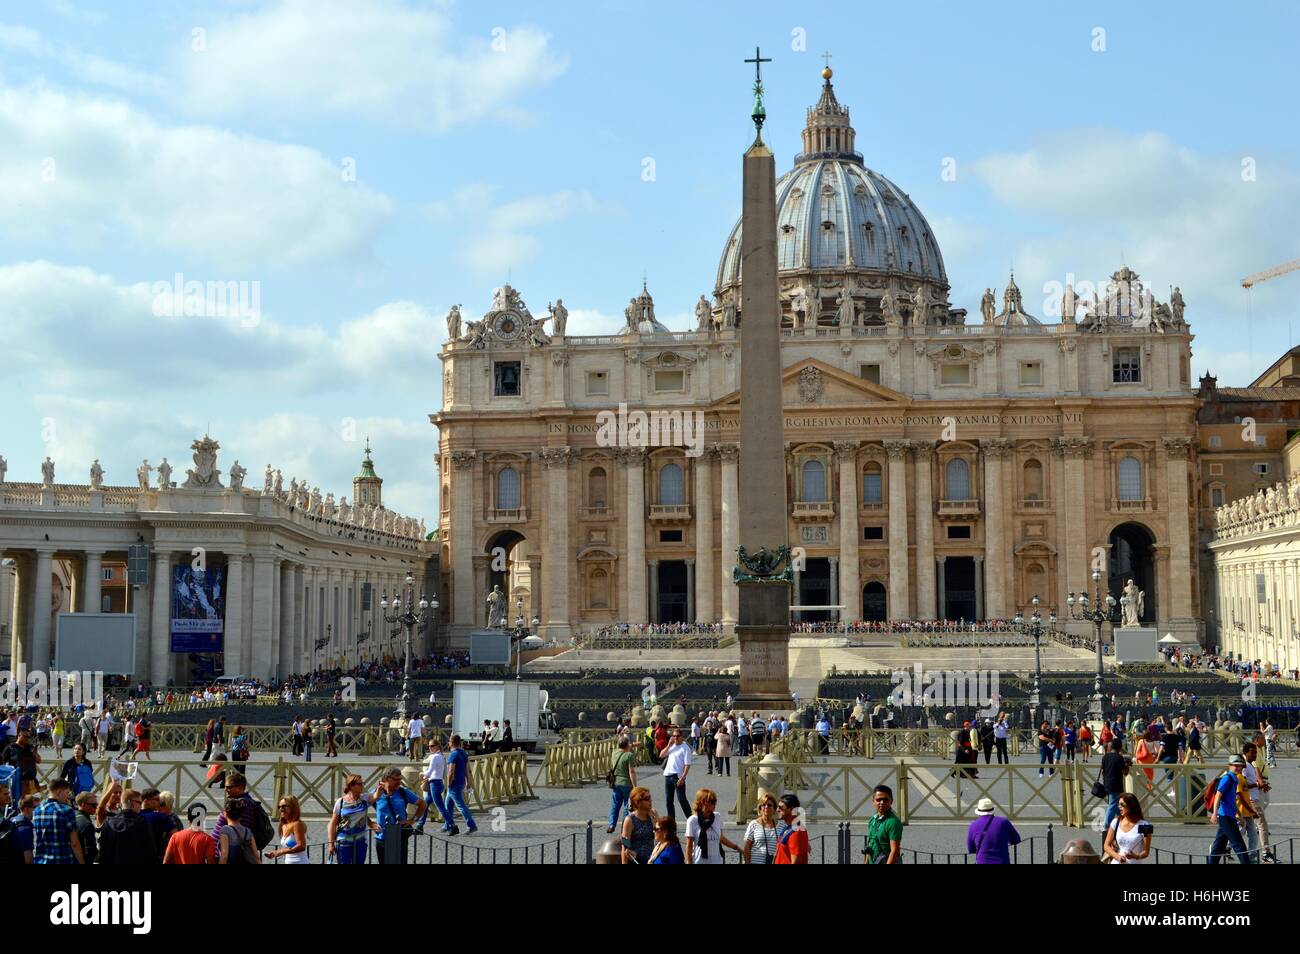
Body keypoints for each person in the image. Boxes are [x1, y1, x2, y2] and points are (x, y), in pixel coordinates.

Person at [96, 783, 158, 864]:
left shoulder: (109, 821)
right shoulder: (143, 822)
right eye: (139, 802)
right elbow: (150, 851)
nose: (141, 805)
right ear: (131, 803)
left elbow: (104, 850)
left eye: (120, 793)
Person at [373, 767, 424, 864]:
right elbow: (361, 808)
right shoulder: (376, 792)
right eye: (396, 779)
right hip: (382, 837)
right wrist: (371, 824)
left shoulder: (403, 792)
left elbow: (422, 804)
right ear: (387, 778)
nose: (399, 782)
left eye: (400, 779)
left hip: (400, 836)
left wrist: (413, 820)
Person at [1207, 755, 1252, 864]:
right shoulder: (1227, 778)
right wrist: (1214, 813)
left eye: (1239, 766)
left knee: (1218, 846)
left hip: (1229, 815)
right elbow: (1218, 795)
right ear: (1229, 766)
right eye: (1235, 765)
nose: (1237, 768)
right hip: (1225, 816)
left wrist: (1240, 816)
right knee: (1239, 845)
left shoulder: (1235, 778)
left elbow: (1232, 800)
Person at [32, 779, 85, 864]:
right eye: (67, 793)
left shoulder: (36, 811)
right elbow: (74, 843)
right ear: (58, 792)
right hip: (63, 859)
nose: (67, 796)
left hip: (41, 860)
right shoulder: (67, 810)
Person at [210, 772, 259, 862]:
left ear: (240, 787)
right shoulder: (238, 802)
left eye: (229, 787)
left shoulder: (243, 803)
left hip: (226, 854)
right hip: (221, 851)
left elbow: (239, 829)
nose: (225, 789)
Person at [327, 774, 376, 865]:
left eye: (362, 783)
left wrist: (381, 788)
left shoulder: (364, 798)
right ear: (351, 786)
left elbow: (375, 796)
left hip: (360, 841)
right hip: (343, 840)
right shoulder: (340, 802)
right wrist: (331, 844)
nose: (362, 785)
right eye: (359, 784)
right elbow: (332, 824)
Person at [685, 788, 738, 864]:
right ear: (703, 802)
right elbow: (689, 846)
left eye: (715, 801)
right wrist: (688, 862)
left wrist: (736, 848)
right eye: (712, 802)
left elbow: (721, 838)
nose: (715, 804)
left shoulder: (717, 817)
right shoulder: (692, 820)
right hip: (699, 861)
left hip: (717, 861)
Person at [966, 797, 1021, 864]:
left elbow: (971, 849)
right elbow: (1016, 839)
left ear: (978, 812)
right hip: (1002, 861)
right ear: (992, 810)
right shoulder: (1004, 822)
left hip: (983, 861)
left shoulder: (973, 825)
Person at [1103, 793, 1152, 864]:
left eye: (1122, 805)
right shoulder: (1115, 822)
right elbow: (1106, 846)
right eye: (1118, 804)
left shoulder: (1145, 825)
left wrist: (1135, 856)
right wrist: (1117, 857)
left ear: (1131, 806)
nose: (1119, 807)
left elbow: (1146, 852)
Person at [443, 734, 477, 835]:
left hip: (454, 783)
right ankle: (447, 825)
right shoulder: (463, 753)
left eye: (449, 741)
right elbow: (467, 769)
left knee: (461, 806)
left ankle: (471, 825)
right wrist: (468, 781)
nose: (448, 743)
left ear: (452, 743)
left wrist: (449, 783)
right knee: (448, 805)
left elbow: (451, 771)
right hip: (461, 782)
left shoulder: (453, 754)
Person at [659, 728, 693, 822]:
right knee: (668, 801)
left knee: (682, 799)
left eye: (677, 736)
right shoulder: (671, 746)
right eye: (673, 736)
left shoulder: (685, 747)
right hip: (667, 775)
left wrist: (683, 777)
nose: (675, 738)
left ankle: (691, 819)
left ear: (682, 737)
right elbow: (661, 755)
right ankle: (671, 822)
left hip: (677, 776)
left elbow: (687, 764)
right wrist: (669, 745)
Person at [267, 795, 309, 864]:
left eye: (283, 806)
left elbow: (301, 846)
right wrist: (276, 853)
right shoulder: (284, 825)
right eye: (279, 807)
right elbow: (289, 848)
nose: (281, 809)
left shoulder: (297, 824)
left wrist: (281, 851)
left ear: (293, 807)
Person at [217, 796, 260, 865]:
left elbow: (224, 856)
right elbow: (256, 856)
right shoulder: (247, 831)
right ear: (241, 815)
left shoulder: (225, 830)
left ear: (225, 813)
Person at [866, 784, 902, 864]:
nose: (882, 802)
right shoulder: (873, 819)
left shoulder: (893, 822)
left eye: (886, 800)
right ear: (873, 802)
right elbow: (870, 844)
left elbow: (895, 851)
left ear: (891, 801)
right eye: (878, 800)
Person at [620, 786, 656, 864]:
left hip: (651, 859)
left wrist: (653, 819)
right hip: (636, 860)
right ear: (637, 802)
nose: (650, 800)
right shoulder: (630, 820)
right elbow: (625, 845)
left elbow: (661, 836)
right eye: (647, 799)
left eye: (650, 797)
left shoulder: (653, 814)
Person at [607, 736, 636, 833]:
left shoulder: (614, 753)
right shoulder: (629, 755)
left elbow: (622, 746)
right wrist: (635, 786)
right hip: (626, 783)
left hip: (616, 782)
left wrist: (629, 744)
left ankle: (611, 824)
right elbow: (631, 772)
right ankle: (624, 825)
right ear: (627, 745)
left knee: (615, 804)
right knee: (627, 805)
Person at [1100, 739, 1129, 832]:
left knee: (1117, 804)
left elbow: (1103, 772)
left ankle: (1122, 822)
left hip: (1107, 783)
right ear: (1120, 747)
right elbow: (1125, 772)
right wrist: (1127, 765)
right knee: (1113, 804)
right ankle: (1106, 826)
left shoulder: (1105, 757)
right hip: (1116, 784)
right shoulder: (1119, 757)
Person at [2, 728, 41, 796]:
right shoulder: (10, 748)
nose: (27, 739)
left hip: (29, 779)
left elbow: (39, 761)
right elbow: (3, 763)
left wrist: (35, 753)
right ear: (19, 736)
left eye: (28, 737)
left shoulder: (30, 747)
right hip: (15, 778)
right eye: (25, 736)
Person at [742, 793, 779, 865]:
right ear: (760, 808)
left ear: (774, 808)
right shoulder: (753, 824)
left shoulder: (781, 825)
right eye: (763, 805)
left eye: (769, 805)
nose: (766, 807)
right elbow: (747, 847)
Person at [420, 738, 448, 830]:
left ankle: (452, 825)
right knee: (424, 804)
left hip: (435, 784)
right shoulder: (440, 756)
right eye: (428, 746)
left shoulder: (435, 757)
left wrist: (422, 774)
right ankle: (420, 825)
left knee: (441, 807)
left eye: (432, 746)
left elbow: (430, 772)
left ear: (437, 746)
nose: (430, 748)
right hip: (435, 783)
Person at [774, 793, 809, 864]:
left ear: (791, 809)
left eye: (781, 807)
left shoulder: (797, 831)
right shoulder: (788, 828)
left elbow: (797, 861)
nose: (777, 810)